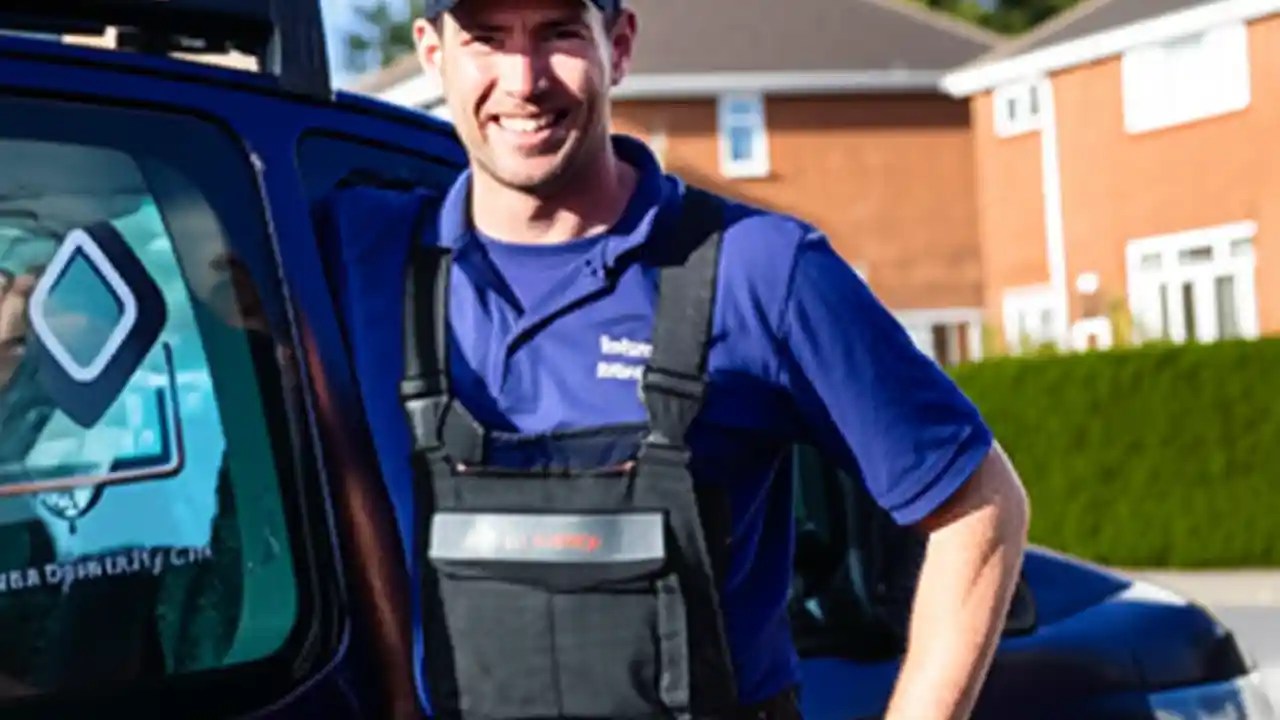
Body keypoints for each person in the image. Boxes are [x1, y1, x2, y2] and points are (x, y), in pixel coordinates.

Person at [314, 0, 1032, 718]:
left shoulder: (761, 274)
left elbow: (980, 506)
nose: (523, 79)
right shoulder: (360, 255)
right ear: (433, 54)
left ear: (618, 46)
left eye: (559, 34)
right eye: (487, 40)